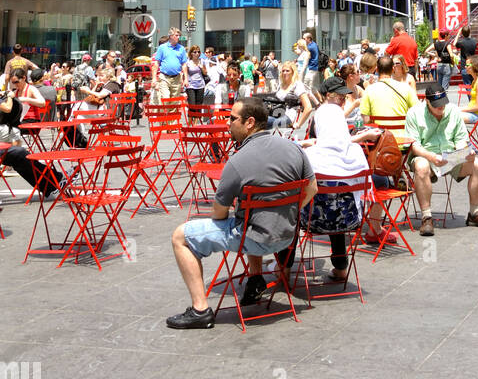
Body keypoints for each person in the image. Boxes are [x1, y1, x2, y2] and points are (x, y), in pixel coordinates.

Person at [166, 97, 317, 328]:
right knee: (248, 217)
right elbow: (312, 189)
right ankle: (255, 278)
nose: (228, 123)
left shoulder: (237, 161)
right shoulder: (294, 149)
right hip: (286, 236)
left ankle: (200, 310)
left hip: (256, 239)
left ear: (249, 123)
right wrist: (288, 213)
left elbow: (218, 214)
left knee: (180, 236)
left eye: (232, 118)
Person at [301, 79, 371, 284]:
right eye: (339, 96)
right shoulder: (356, 154)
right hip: (349, 219)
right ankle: (341, 267)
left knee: (294, 203)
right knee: (337, 199)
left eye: (343, 96)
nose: (342, 99)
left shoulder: (311, 156)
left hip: (311, 221)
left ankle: (284, 270)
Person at [403, 85, 478, 236]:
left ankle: (474, 213)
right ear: (427, 102)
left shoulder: (453, 111)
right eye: (436, 105)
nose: (441, 108)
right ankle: (426, 217)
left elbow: (461, 139)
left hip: (450, 156)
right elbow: (414, 145)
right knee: (421, 166)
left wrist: (466, 152)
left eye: (443, 103)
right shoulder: (414, 113)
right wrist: (432, 157)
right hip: (426, 155)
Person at [358, 55, 417, 139]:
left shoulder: (369, 90)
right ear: (393, 69)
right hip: (404, 140)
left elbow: (366, 120)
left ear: (377, 70)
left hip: (380, 141)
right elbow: (416, 110)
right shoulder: (406, 88)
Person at [152, 28, 187, 101]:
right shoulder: (162, 48)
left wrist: (186, 79)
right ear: (171, 36)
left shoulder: (181, 49)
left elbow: (184, 64)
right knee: (165, 98)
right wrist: (154, 78)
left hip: (177, 78)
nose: (178, 37)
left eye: (179, 35)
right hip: (164, 77)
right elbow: (156, 63)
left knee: (175, 101)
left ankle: (171, 113)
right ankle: (164, 112)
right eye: (176, 35)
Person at [460, 55, 478, 129]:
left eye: (467, 65)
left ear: (474, 66)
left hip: (477, 115)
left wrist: (459, 109)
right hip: (472, 113)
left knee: (452, 117)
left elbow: (477, 107)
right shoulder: (474, 81)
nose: (465, 67)